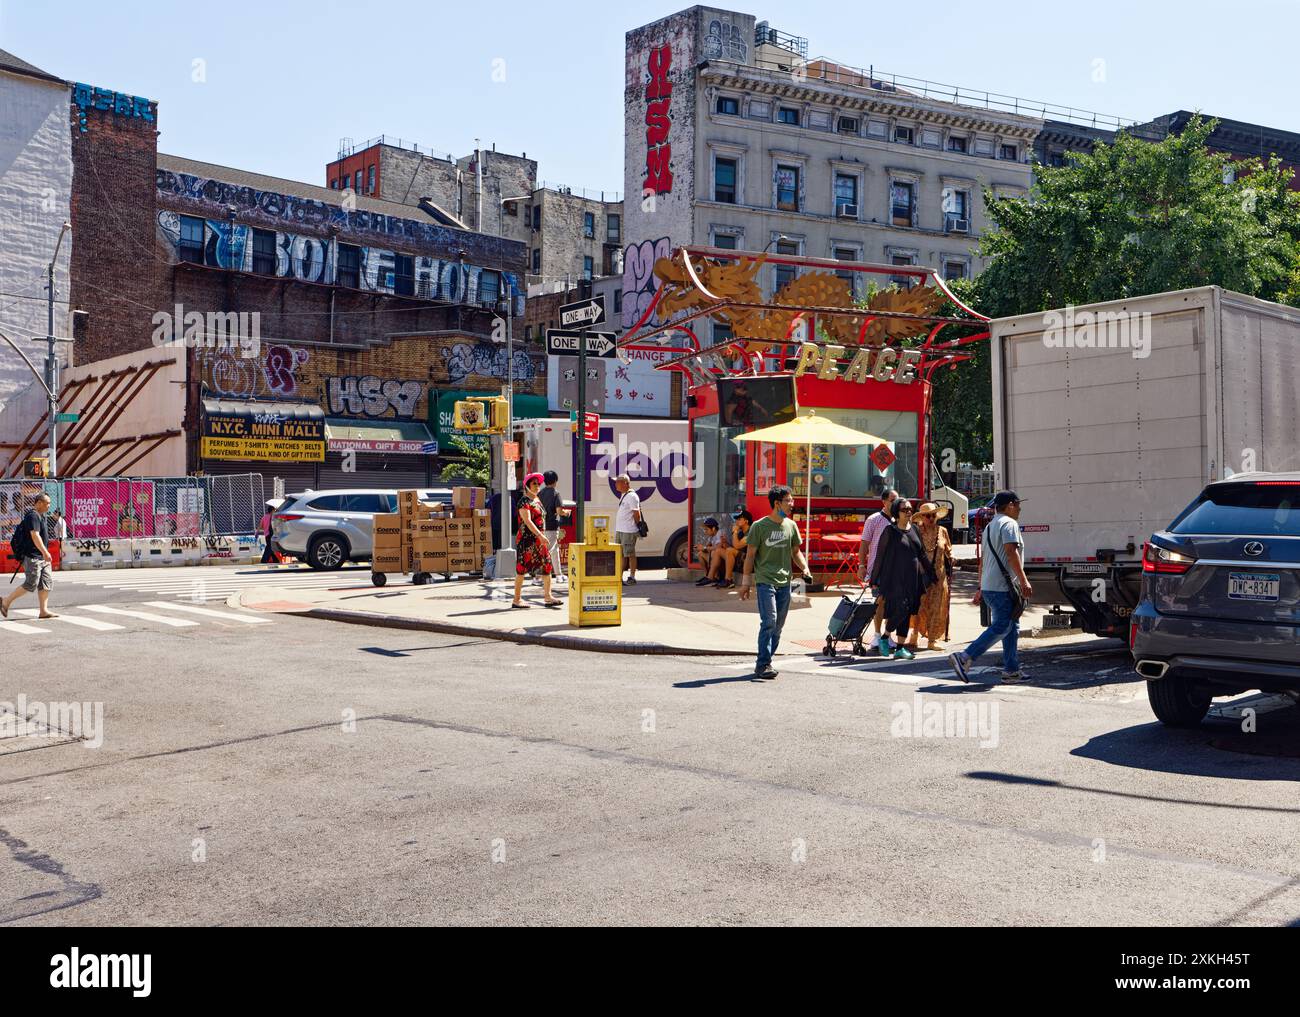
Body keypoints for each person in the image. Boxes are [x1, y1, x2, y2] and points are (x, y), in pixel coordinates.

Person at [948, 491, 1033, 684]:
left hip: (991, 585)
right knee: (1003, 625)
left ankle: (1011, 670)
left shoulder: (990, 526)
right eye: (1018, 504)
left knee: (1012, 627)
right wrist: (1024, 580)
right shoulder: (1009, 524)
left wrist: (980, 587)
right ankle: (964, 657)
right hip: (1002, 586)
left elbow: (984, 560)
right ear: (1010, 505)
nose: (1020, 508)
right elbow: (1011, 553)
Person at [739, 486, 812, 680]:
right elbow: (750, 556)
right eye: (788, 500)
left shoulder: (791, 526)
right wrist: (746, 583)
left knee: (778, 626)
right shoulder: (759, 526)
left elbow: (795, 552)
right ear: (777, 503)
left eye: (792, 500)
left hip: (784, 582)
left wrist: (805, 568)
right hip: (765, 581)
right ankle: (763, 664)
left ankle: (767, 661)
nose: (792, 504)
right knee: (769, 621)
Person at [868, 499, 936, 660]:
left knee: (909, 612)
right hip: (894, 579)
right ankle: (885, 637)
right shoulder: (889, 531)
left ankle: (900, 647)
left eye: (910, 509)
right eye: (904, 509)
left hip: (913, 579)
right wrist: (873, 579)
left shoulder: (914, 529)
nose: (908, 511)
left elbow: (922, 554)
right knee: (902, 609)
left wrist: (932, 573)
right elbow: (879, 557)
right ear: (896, 513)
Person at [904, 502, 953, 651]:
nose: (931, 518)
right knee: (918, 606)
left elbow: (948, 551)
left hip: (939, 576)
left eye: (933, 515)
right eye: (927, 515)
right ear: (921, 517)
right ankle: (914, 635)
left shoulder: (943, 531)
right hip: (920, 575)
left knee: (936, 608)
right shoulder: (916, 531)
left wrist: (952, 561)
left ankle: (932, 640)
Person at [1, 492, 56, 621]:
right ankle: (6, 602)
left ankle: (43, 610)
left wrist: (44, 554)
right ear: (39, 503)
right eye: (47, 503)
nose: (49, 506)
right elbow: (34, 535)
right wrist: (45, 552)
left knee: (45, 583)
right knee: (31, 583)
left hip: (41, 557)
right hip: (33, 556)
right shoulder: (33, 516)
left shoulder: (40, 516)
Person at [510, 473, 562, 609]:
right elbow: (527, 521)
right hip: (527, 540)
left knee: (547, 566)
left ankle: (548, 597)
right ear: (527, 486)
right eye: (534, 484)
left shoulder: (537, 500)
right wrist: (540, 535)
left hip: (539, 540)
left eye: (538, 484)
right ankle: (516, 599)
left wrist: (541, 536)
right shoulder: (524, 501)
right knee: (521, 570)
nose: (537, 486)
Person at [857, 488, 898, 647]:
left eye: (897, 500)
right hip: (878, 569)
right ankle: (877, 634)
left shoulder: (898, 520)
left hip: (896, 569)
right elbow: (864, 544)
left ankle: (888, 635)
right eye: (892, 500)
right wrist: (862, 565)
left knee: (893, 603)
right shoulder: (873, 519)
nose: (895, 503)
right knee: (880, 601)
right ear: (884, 501)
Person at [537, 470, 570, 583]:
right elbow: (559, 511)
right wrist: (566, 513)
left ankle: (558, 574)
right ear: (555, 481)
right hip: (551, 526)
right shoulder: (556, 493)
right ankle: (539, 576)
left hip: (541, 526)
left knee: (551, 550)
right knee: (549, 551)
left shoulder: (540, 493)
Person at [614, 473, 642, 586]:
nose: (616, 484)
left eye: (618, 482)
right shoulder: (624, 495)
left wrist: (635, 526)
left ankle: (632, 577)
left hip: (628, 530)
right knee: (621, 555)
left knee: (629, 554)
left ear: (625, 483)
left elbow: (637, 514)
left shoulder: (632, 496)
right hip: (621, 530)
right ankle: (619, 577)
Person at [718, 509, 752, 588]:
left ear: (746, 521)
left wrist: (735, 532)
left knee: (729, 550)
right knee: (718, 551)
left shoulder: (751, 532)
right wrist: (725, 543)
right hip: (741, 560)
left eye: (739, 519)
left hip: (750, 563)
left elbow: (737, 546)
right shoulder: (741, 533)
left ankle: (728, 580)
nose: (736, 521)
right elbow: (733, 550)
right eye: (736, 519)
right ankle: (712, 578)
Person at [692, 517, 730, 586]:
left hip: (726, 561)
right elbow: (707, 547)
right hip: (718, 560)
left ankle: (712, 577)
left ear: (713, 528)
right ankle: (707, 576)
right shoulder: (712, 536)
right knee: (700, 554)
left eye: (706, 529)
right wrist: (700, 548)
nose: (705, 531)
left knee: (713, 552)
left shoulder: (720, 533)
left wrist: (704, 547)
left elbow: (718, 547)